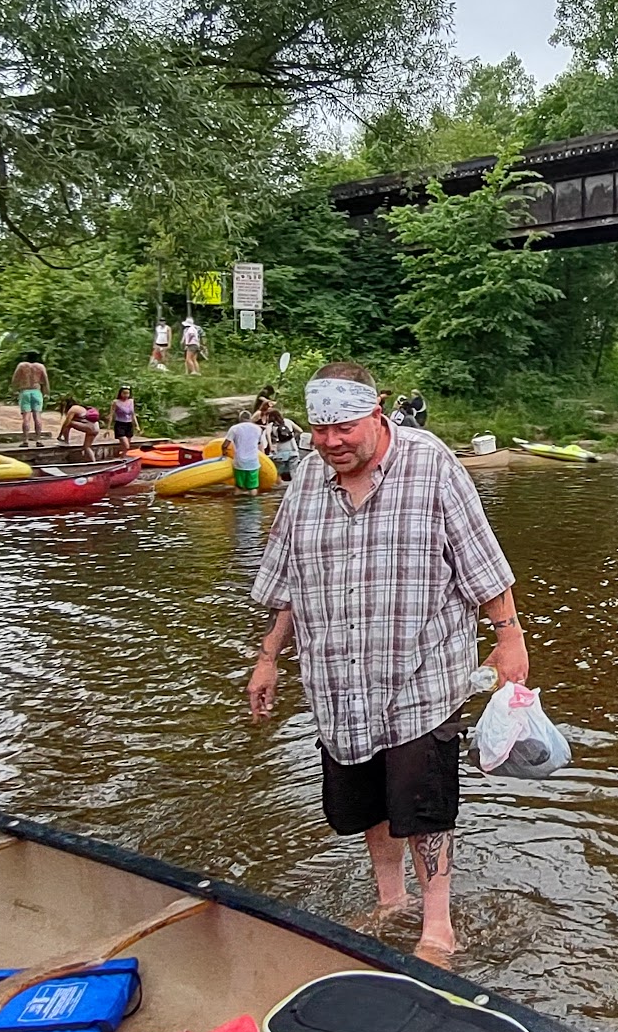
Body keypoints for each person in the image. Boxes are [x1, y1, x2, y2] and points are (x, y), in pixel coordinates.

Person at [247, 361, 528, 963]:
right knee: (365, 799)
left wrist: (509, 639)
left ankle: (437, 924)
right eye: (320, 432)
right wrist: (268, 657)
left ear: (375, 412)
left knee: (422, 802)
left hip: (419, 676)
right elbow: (288, 582)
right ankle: (389, 898)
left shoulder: (431, 467)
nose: (330, 443)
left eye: (343, 428)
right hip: (338, 680)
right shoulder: (304, 481)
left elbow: (485, 566)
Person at [11, 352, 48, 442]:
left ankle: (25, 440)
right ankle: (38, 439)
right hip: (36, 391)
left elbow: (14, 379)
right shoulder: (40, 367)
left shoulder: (21, 366)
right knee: (37, 416)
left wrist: (14, 389)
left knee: (26, 417)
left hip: (25, 391)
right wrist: (46, 392)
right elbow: (46, 381)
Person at [226, 409, 266, 492]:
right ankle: (253, 503)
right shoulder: (258, 429)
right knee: (253, 487)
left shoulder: (234, 428)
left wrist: (224, 452)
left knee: (239, 487)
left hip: (239, 461)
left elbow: (225, 444)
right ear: (250, 418)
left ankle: (238, 503)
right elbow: (260, 444)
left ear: (240, 418)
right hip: (253, 461)